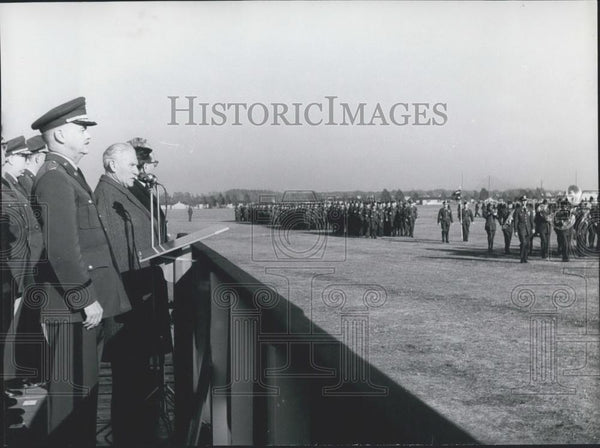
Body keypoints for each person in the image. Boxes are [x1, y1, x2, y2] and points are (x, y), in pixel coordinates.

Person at [31, 97, 131, 447]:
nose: (88, 134)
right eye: (81, 127)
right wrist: (86, 298)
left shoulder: (69, 174)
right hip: (74, 310)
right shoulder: (55, 179)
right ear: (58, 135)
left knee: (84, 397)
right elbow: (62, 251)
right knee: (71, 403)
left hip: (79, 308)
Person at [94, 143, 172, 447]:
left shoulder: (122, 191)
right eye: (131, 166)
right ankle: (130, 438)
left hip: (140, 296)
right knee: (128, 379)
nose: (137, 171)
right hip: (130, 302)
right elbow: (117, 255)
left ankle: (139, 433)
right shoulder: (107, 197)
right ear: (113, 165)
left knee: (138, 377)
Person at [1, 136, 46, 384]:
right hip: (16, 268)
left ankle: (13, 378)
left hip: (24, 266)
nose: (24, 160)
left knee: (16, 329)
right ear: (9, 158)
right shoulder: (8, 186)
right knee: (10, 330)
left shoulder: (13, 185)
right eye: (21, 156)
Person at [127, 137, 168, 243]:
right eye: (154, 163)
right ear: (145, 166)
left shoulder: (140, 188)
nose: (155, 167)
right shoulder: (134, 190)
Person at [513, 196, 534, 263]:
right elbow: (516, 220)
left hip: (528, 228)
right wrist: (515, 230)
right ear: (521, 202)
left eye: (525, 201)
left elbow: (531, 220)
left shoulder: (529, 209)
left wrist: (533, 228)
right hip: (521, 228)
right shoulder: (518, 210)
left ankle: (525, 257)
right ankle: (522, 258)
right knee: (523, 242)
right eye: (523, 201)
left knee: (527, 243)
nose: (524, 202)